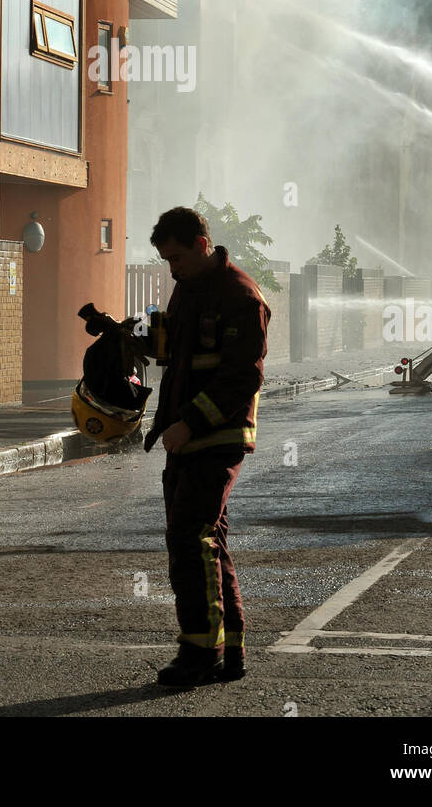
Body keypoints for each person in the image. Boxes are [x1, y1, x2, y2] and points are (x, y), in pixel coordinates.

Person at [141, 206, 268, 688]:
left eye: (176, 257)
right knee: (207, 541)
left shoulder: (240, 296)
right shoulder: (188, 289)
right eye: (165, 261)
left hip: (216, 435)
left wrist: (189, 424)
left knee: (191, 541)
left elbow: (243, 376)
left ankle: (200, 653)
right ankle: (228, 653)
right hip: (186, 437)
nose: (171, 268)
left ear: (200, 244)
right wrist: (135, 338)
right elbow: (178, 360)